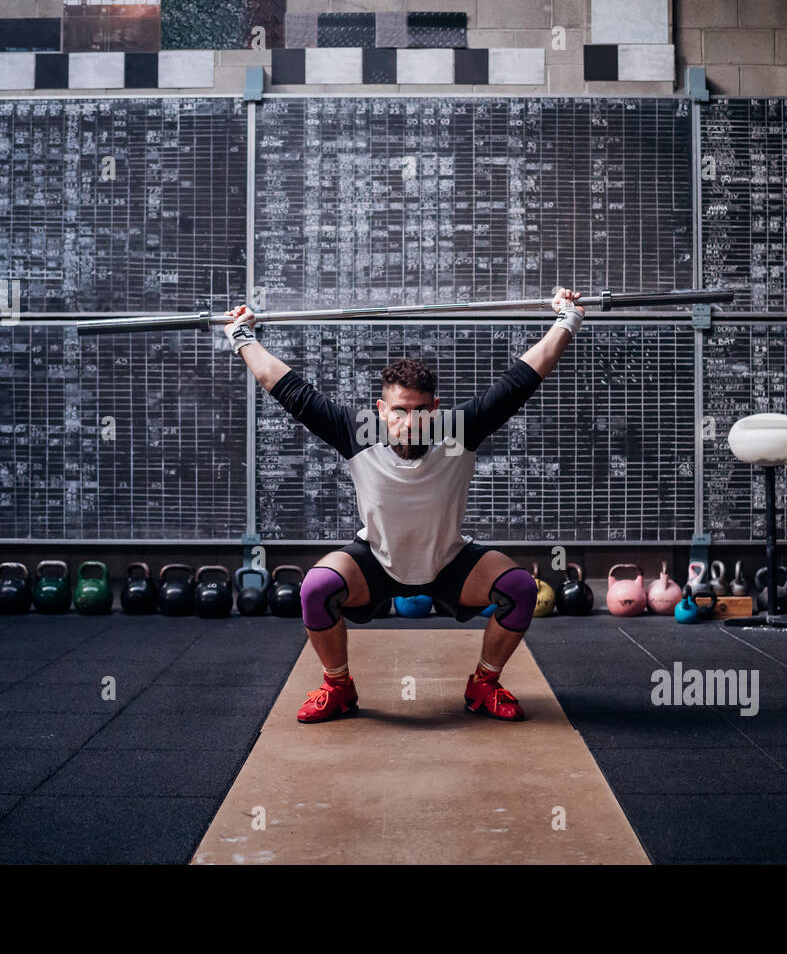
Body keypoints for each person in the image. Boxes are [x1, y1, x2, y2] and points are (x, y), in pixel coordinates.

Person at [223, 287, 586, 722]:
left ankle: (484, 684)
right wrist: (241, 336)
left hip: (448, 561)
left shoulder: (460, 429)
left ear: (436, 408)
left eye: (419, 411)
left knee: (520, 588)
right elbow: (285, 387)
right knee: (316, 588)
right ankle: (338, 687)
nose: (408, 422)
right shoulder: (355, 432)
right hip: (377, 560)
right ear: (381, 409)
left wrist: (568, 319)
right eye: (398, 411)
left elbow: (523, 378)